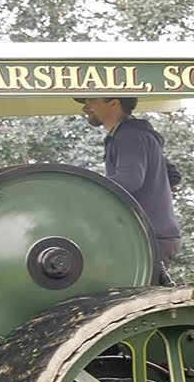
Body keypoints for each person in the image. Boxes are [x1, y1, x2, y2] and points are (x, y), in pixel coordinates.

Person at [78, 97, 182, 284]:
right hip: (157, 236)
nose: (85, 108)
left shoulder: (129, 136)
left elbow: (130, 180)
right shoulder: (140, 135)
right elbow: (173, 175)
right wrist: (153, 199)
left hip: (144, 238)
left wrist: (87, 197)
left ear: (114, 103)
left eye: (92, 101)